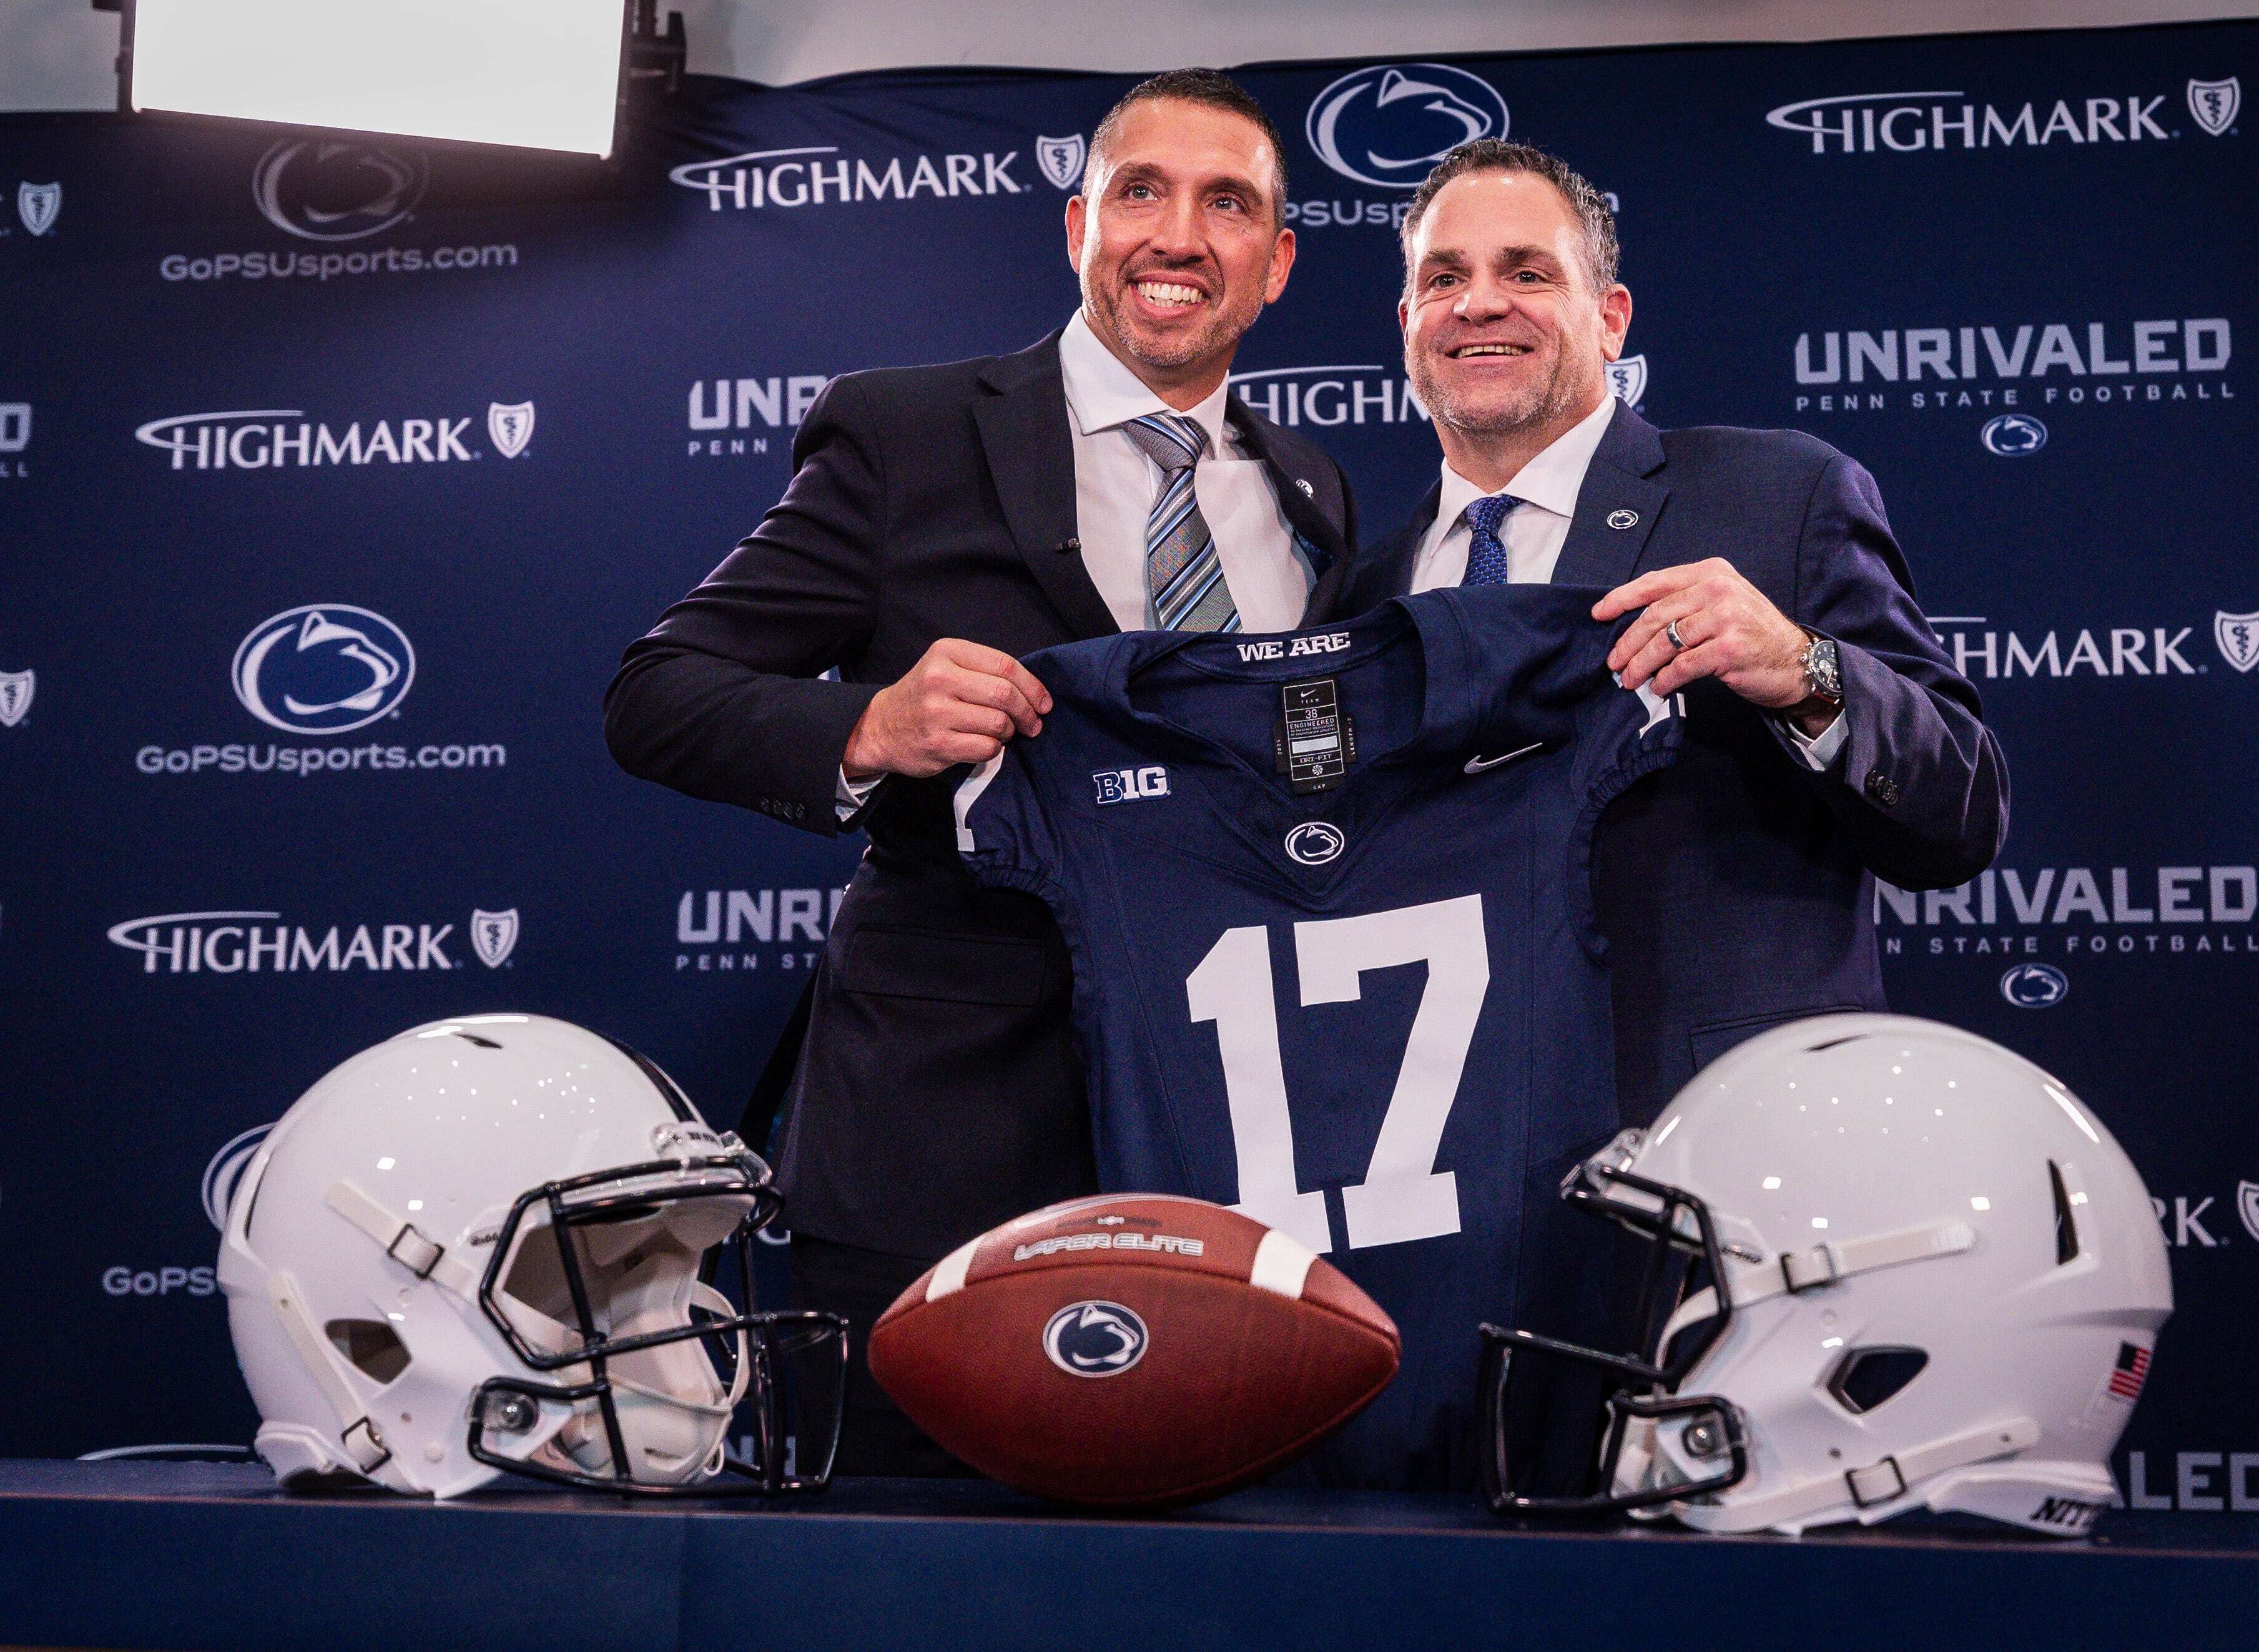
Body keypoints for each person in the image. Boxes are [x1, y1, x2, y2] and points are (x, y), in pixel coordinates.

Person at [604, 69, 1357, 1473]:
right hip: (935, 1138)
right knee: (887, 1582)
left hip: (1221, 1140)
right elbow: (657, 693)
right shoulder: (908, 433)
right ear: (1078, 224)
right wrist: (866, 725)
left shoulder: (1315, 490)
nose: (1176, 235)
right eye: (1140, 190)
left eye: (1227, 203)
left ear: (1275, 261)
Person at [1332, 139, 2004, 1119]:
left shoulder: (1779, 494)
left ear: (1609, 322)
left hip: (1731, 1141)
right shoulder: (1362, 595)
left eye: (1527, 271)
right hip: (1456, 1165)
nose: (1479, 304)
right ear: (1407, 325)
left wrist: (1805, 670)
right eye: (1445, 278)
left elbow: (1961, 814)